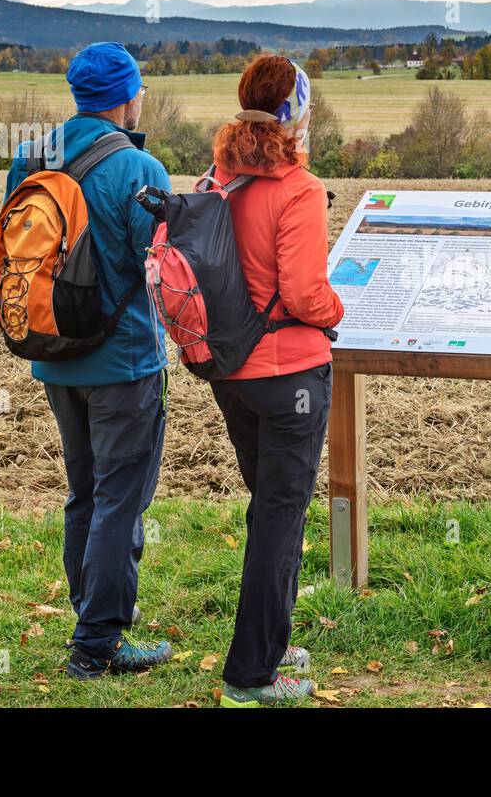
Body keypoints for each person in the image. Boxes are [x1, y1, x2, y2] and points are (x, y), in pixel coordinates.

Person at [4, 42, 174, 679]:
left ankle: (88, 617)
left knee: (85, 494)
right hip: (124, 361)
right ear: (127, 96)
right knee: (120, 500)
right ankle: (97, 645)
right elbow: (157, 267)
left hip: (53, 355)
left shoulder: (31, 155)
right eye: (141, 91)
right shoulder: (140, 169)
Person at [208, 55, 344, 706]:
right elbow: (305, 292)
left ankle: (276, 642)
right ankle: (250, 677)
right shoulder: (300, 188)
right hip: (291, 376)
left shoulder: (217, 180)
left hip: (229, 372)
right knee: (279, 520)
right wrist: (339, 311)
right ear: (294, 115)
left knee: (269, 510)